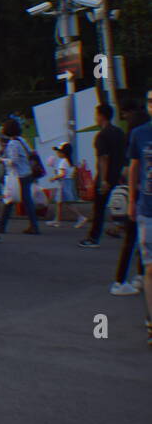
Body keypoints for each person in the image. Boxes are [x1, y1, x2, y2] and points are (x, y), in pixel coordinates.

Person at [125, 87, 152, 345]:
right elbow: (133, 168)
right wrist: (132, 201)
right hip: (147, 209)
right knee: (150, 268)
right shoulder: (140, 134)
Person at [81, 104, 127, 249]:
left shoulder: (101, 135)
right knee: (122, 203)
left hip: (106, 177)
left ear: (101, 116)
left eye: (96, 114)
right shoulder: (119, 132)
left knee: (99, 208)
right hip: (118, 174)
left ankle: (93, 238)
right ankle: (120, 229)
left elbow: (103, 158)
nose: (95, 117)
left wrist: (103, 180)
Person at [0, 119, 40, 235]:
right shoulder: (22, 140)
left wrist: (2, 160)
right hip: (27, 172)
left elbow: (13, 161)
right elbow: (30, 152)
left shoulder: (13, 143)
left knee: (10, 199)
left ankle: (2, 224)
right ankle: (33, 225)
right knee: (26, 200)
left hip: (18, 175)